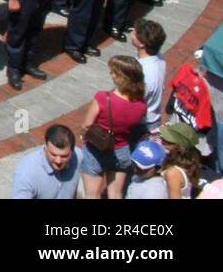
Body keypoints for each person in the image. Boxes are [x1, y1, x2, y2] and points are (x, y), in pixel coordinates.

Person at [79, 55, 148, 200]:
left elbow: (86, 124)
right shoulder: (142, 105)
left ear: (123, 77)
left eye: (114, 72)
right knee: (116, 194)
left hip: (95, 149)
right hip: (121, 150)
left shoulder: (103, 98)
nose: (111, 74)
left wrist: (83, 135)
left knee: (92, 194)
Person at [11, 124, 82, 199]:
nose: (58, 161)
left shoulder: (78, 156)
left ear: (72, 151)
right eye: (53, 155)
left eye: (64, 156)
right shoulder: (27, 173)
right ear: (45, 148)